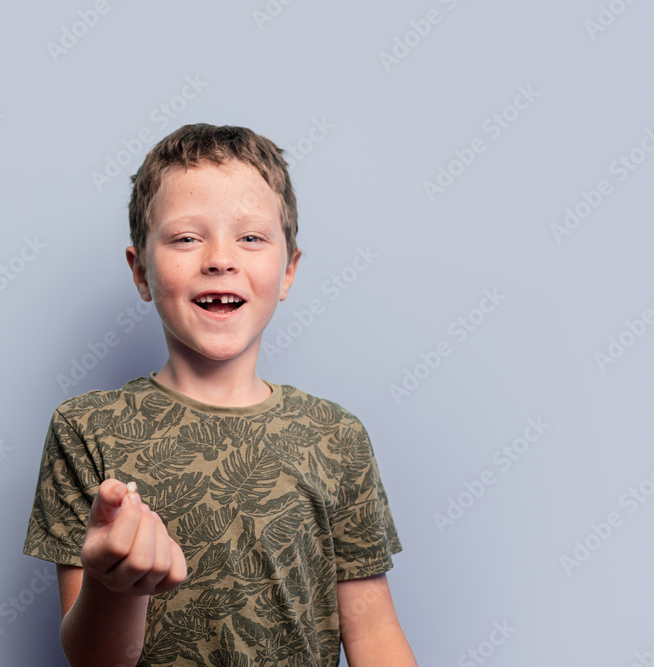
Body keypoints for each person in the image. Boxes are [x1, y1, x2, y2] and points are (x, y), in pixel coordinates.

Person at [23, 123, 417, 666]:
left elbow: (374, 635)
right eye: (187, 237)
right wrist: (114, 586)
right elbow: (96, 660)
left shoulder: (336, 437)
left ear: (288, 271)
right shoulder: (86, 430)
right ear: (141, 271)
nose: (219, 258)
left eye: (251, 237)